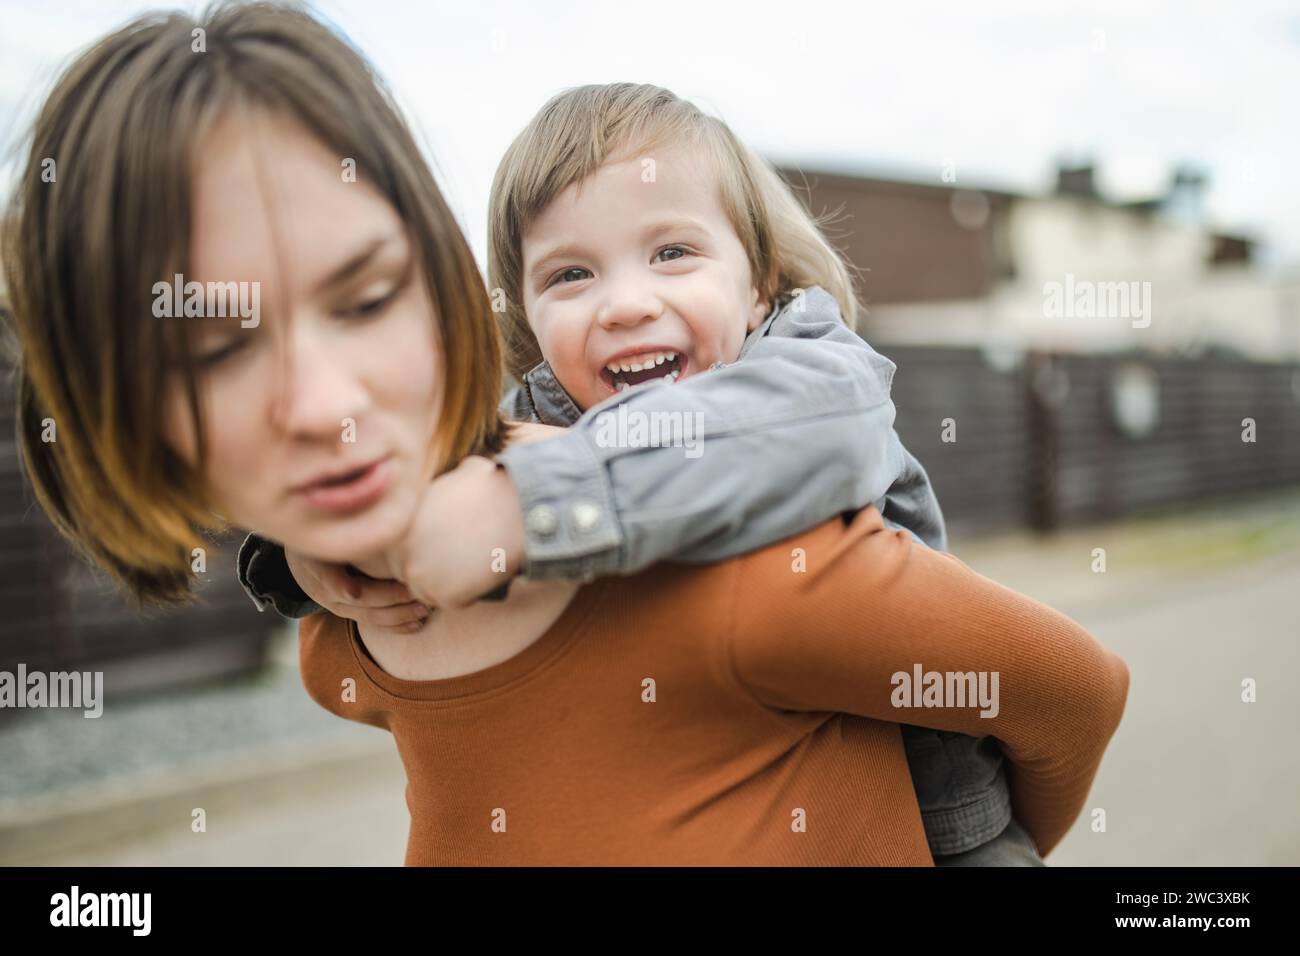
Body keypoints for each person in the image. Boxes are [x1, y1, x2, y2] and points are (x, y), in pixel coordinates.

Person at [2, 2, 1128, 865]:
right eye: (214, 346)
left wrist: (522, 512)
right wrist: (294, 560)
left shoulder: (771, 524)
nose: (318, 402)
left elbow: (1070, 691)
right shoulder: (351, 628)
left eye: (361, 297)